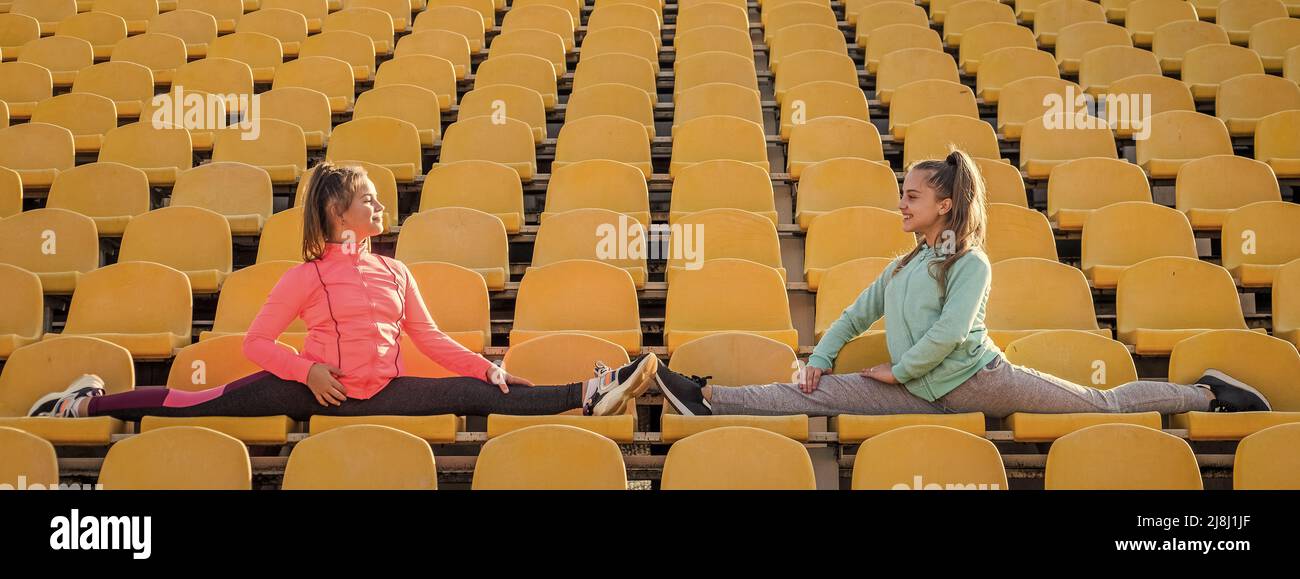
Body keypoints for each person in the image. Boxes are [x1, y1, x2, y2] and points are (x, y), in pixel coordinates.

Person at [652, 150, 1271, 418]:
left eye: (912, 196)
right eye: (902, 194)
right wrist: (820, 357)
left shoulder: (970, 263)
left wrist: (899, 370)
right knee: (813, 393)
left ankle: (1206, 395)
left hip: (980, 379)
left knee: (1100, 405)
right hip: (918, 389)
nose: (902, 204)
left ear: (945, 205)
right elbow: (852, 314)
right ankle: (710, 399)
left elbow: (951, 333)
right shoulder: (902, 266)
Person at [30, 163, 659, 421]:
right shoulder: (305, 275)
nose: (380, 205)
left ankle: (590, 391)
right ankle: (83, 404)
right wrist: (309, 371)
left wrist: (490, 368)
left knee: (477, 391)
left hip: (382, 391)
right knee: (198, 403)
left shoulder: (396, 271)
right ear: (337, 210)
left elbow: (431, 340)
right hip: (313, 392)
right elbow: (256, 342)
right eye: (368, 199)